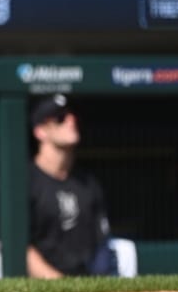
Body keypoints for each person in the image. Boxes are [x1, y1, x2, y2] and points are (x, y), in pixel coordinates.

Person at [27, 95, 113, 279]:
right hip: (41, 289)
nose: (71, 121)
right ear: (40, 131)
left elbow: (101, 241)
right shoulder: (24, 181)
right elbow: (19, 248)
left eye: (73, 116)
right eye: (60, 118)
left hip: (84, 283)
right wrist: (60, 284)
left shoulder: (87, 182)